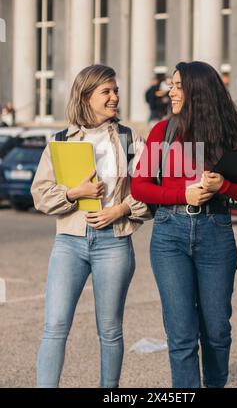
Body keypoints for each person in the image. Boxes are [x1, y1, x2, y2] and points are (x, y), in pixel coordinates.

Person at [131, 61, 237, 388]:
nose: (171, 92)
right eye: (171, 85)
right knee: (181, 334)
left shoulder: (232, 135)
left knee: (217, 330)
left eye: (178, 86)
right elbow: (140, 186)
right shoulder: (162, 132)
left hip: (215, 233)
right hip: (169, 235)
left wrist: (225, 186)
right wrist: (182, 193)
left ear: (198, 91)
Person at [31, 64, 151, 388]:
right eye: (106, 91)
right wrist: (74, 193)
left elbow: (150, 193)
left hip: (114, 242)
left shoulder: (129, 139)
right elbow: (40, 194)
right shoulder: (59, 140)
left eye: (116, 90)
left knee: (110, 330)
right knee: (54, 326)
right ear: (86, 96)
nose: (115, 97)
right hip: (69, 243)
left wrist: (121, 209)